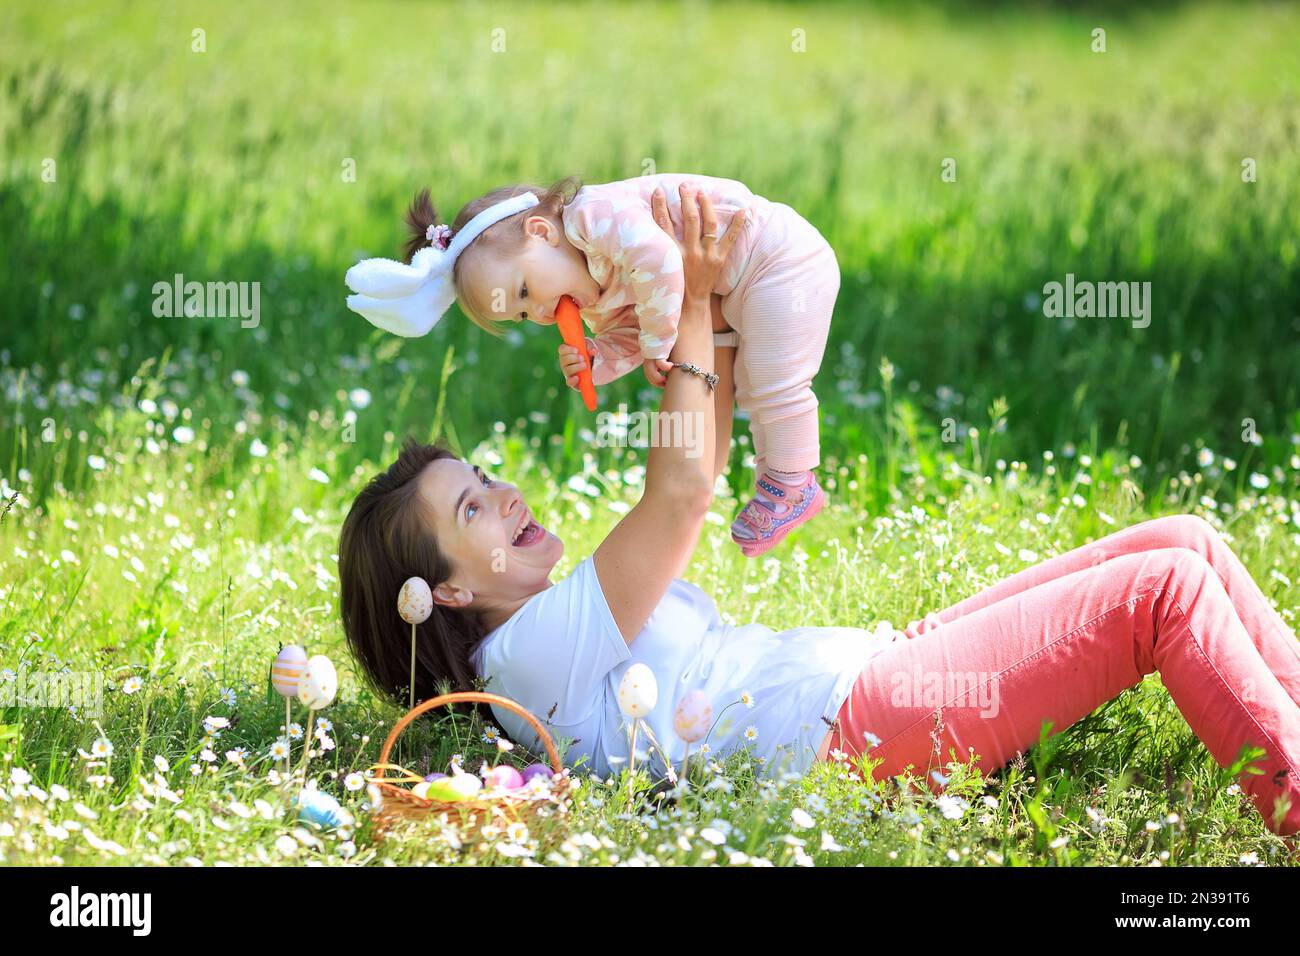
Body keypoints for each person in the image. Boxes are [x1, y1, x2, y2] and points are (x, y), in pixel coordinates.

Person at [338, 185, 1300, 839]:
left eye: (484, 477)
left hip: (873, 673)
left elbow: (697, 464)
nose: (506, 493)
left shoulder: (558, 621)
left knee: (1182, 541)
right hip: (859, 728)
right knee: (1163, 593)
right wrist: (689, 303)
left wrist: (712, 314)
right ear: (445, 593)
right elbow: (680, 495)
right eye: (473, 507)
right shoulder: (524, 659)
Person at [342, 172, 840, 556]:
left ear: (541, 231)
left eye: (524, 291)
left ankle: (792, 480)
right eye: (522, 314)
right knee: (755, 389)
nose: (540, 313)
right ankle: (776, 480)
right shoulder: (592, 290)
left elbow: (662, 264)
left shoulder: (593, 218)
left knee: (777, 387)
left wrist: (658, 344)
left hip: (778, 259)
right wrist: (598, 361)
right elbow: (633, 325)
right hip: (742, 289)